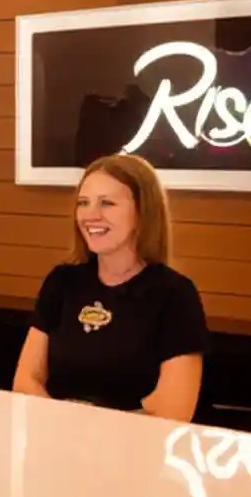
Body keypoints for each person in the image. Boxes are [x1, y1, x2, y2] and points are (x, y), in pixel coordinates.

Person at [12, 153, 207, 422]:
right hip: (55, 445)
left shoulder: (174, 295)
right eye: (83, 203)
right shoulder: (62, 281)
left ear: (143, 211)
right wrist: (62, 431)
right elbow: (26, 381)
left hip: (134, 455)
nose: (90, 216)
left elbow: (172, 413)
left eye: (107, 203)